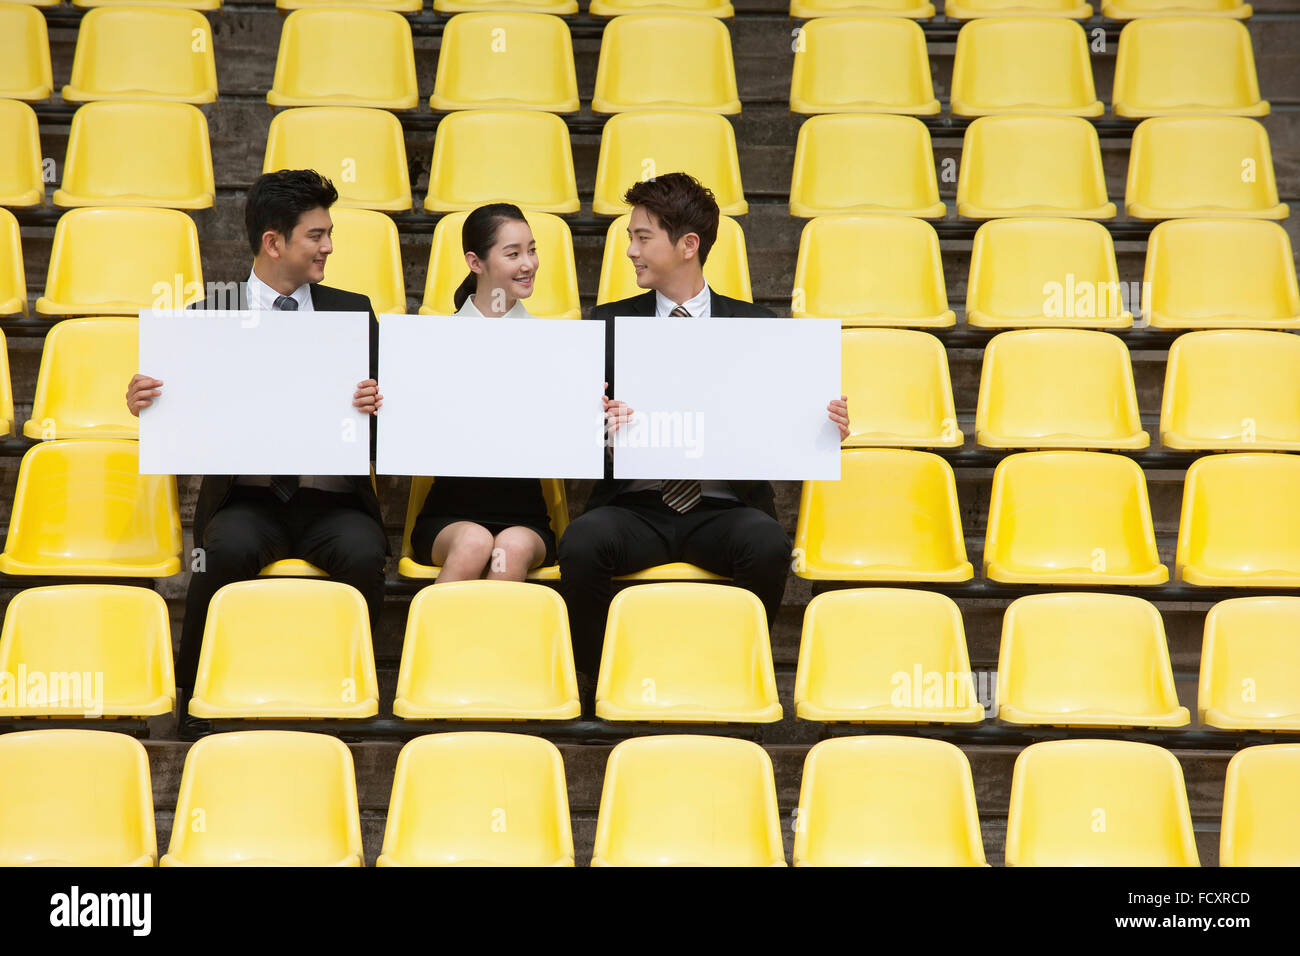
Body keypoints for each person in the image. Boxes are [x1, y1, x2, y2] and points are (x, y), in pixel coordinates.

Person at [558, 172, 849, 711]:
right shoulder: (606, 324)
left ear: (687, 245)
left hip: (720, 508)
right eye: (631, 237)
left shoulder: (756, 326)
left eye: (642, 237)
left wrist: (824, 423)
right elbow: (571, 431)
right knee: (581, 543)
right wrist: (597, 424)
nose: (630, 251)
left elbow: (785, 423)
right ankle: (605, 678)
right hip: (636, 507)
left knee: (766, 545)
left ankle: (734, 673)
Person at [125, 169, 388, 715]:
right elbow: (182, 416)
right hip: (249, 500)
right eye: (316, 235)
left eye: (328, 233)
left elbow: (391, 419)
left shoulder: (352, 311)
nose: (328, 246)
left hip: (333, 499)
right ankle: (193, 696)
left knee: (365, 553)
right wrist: (146, 401)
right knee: (222, 551)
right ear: (274, 242)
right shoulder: (208, 316)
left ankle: (351, 691)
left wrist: (377, 403)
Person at [409, 203, 557, 582]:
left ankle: (495, 643)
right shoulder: (432, 342)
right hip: (448, 515)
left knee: (510, 548)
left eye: (532, 250)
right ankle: (435, 642)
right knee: (474, 542)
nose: (528, 263)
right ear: (475, 262)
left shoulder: (555, 345)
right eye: (513, 254)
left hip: (526, 517)